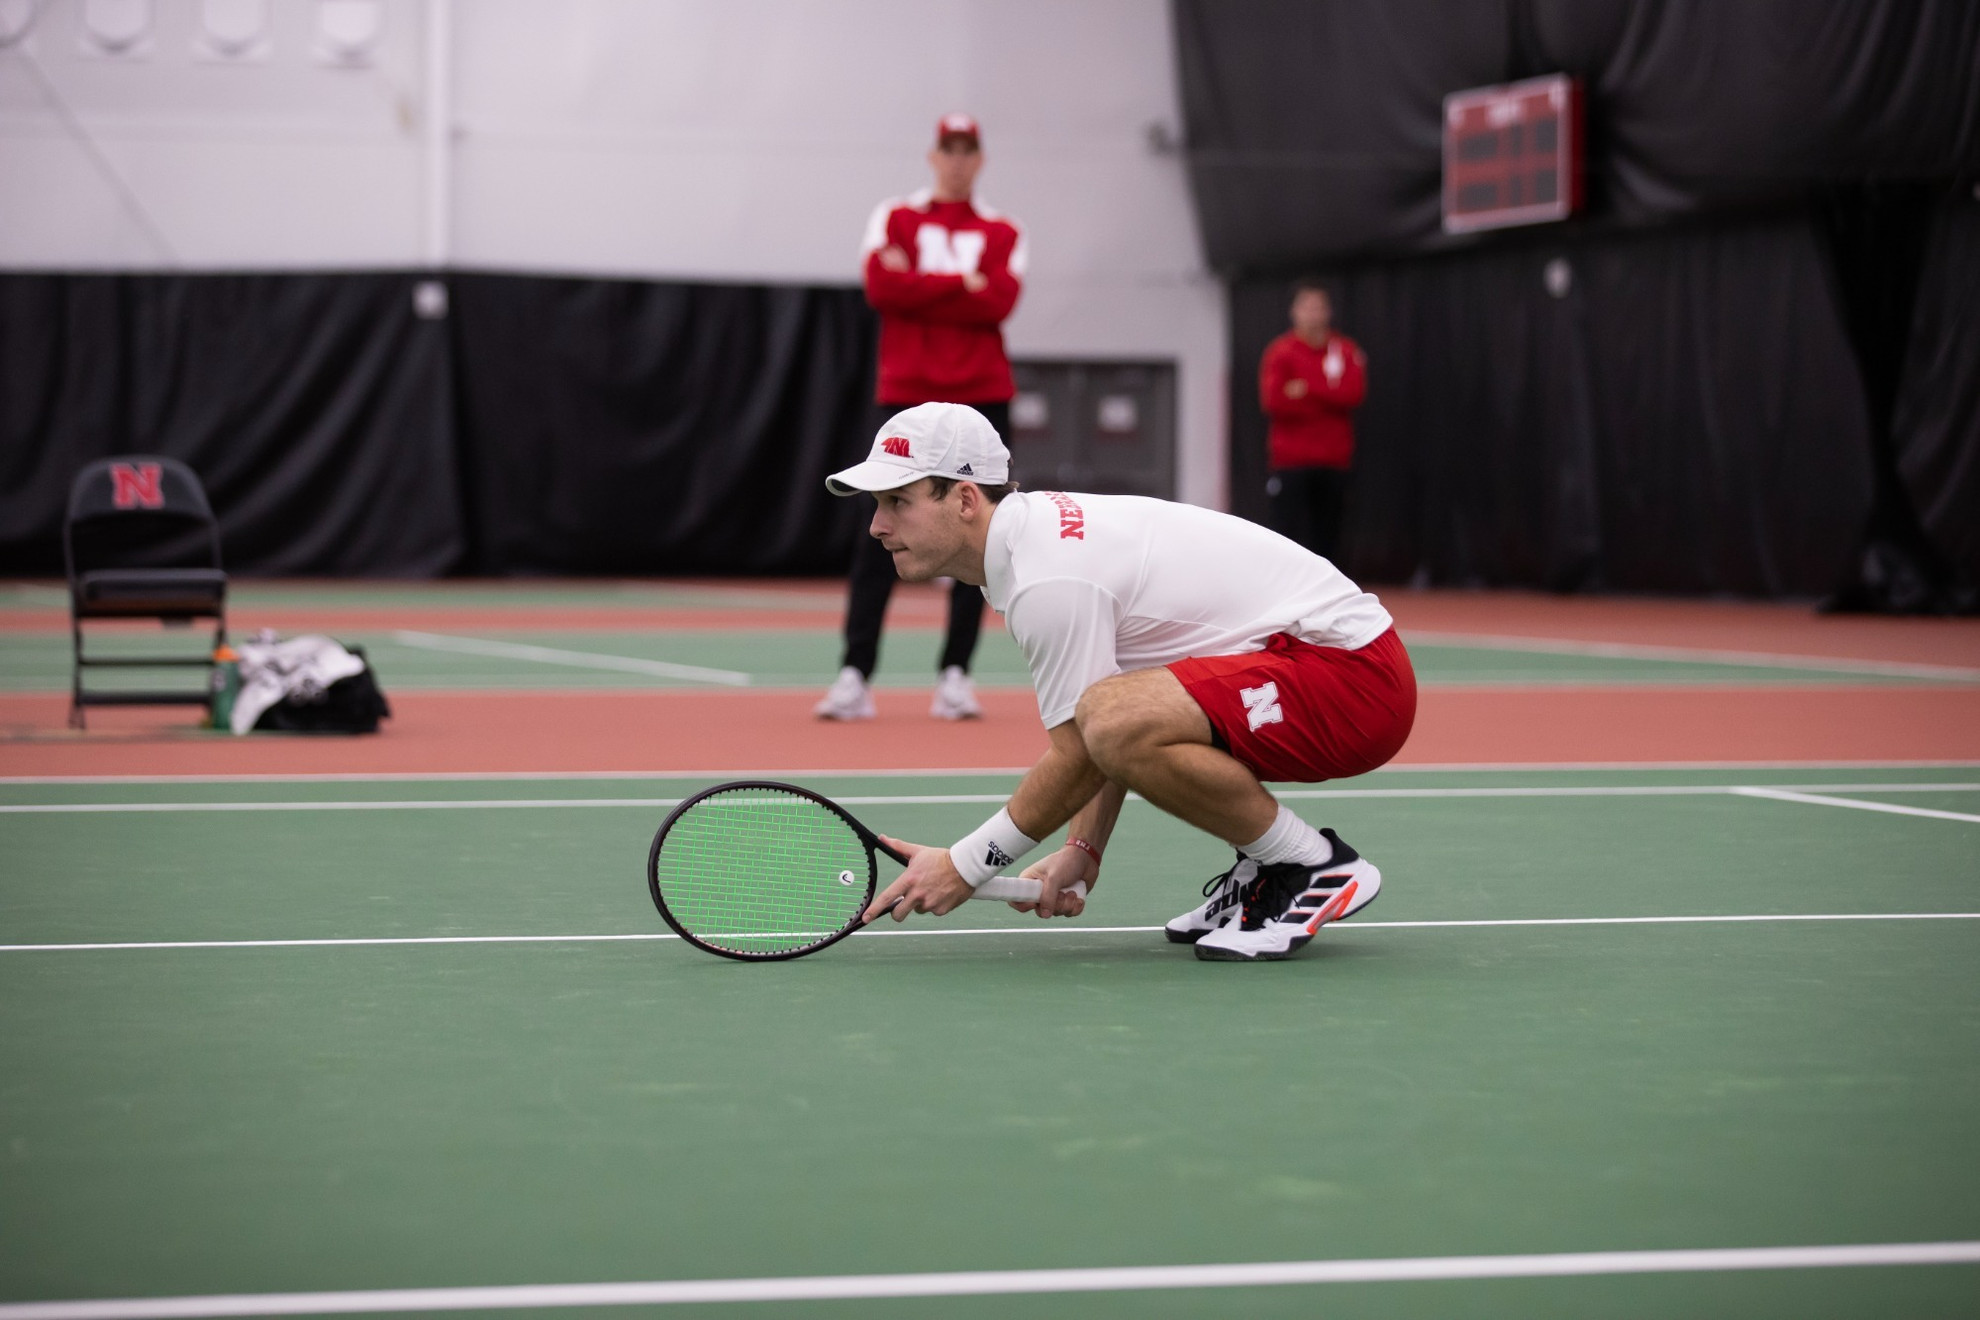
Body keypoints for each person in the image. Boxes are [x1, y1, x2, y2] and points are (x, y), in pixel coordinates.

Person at [825, 403, 1416, 962]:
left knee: (1107, 720)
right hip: (1321, 667)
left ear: (964, 499)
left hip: (1355, 679)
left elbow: (1088, 743)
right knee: (1110, 716)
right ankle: (1271, 866)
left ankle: (1309, 866)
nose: (877, 525)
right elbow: (1108, 717)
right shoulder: (1033, 546)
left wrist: (965, 864)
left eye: (897, 501)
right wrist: (1083, 850)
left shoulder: (1047, 577)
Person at [815, 113, 1027, 722]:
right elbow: (884, 290)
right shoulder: (895, 216)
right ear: (933, 156)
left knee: (979, 533)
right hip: (906, 391)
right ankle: (856, 674)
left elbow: (1001, 301)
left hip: (981, 394)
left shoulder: (1004, 228)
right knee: (881, 525)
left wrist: (925, 284)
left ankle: (955, 676)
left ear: (979, 160)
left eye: (969, 151)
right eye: (948, 149)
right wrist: (964, 283)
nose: (958, 160)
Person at [1259, 280, 1366, 564]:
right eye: (1306, 306)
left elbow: (1353, 394)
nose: (1312, 313)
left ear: (1328, 311)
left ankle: (1329, 601)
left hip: (1334, 460)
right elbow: (1274, 402)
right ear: (1294, 311)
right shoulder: (1280, 352)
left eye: (1318, 307)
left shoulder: (1344, 350)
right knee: (1284, 538)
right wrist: (1328, 394)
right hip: (1290, 461)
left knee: (1328, 537)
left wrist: (1307, 387)